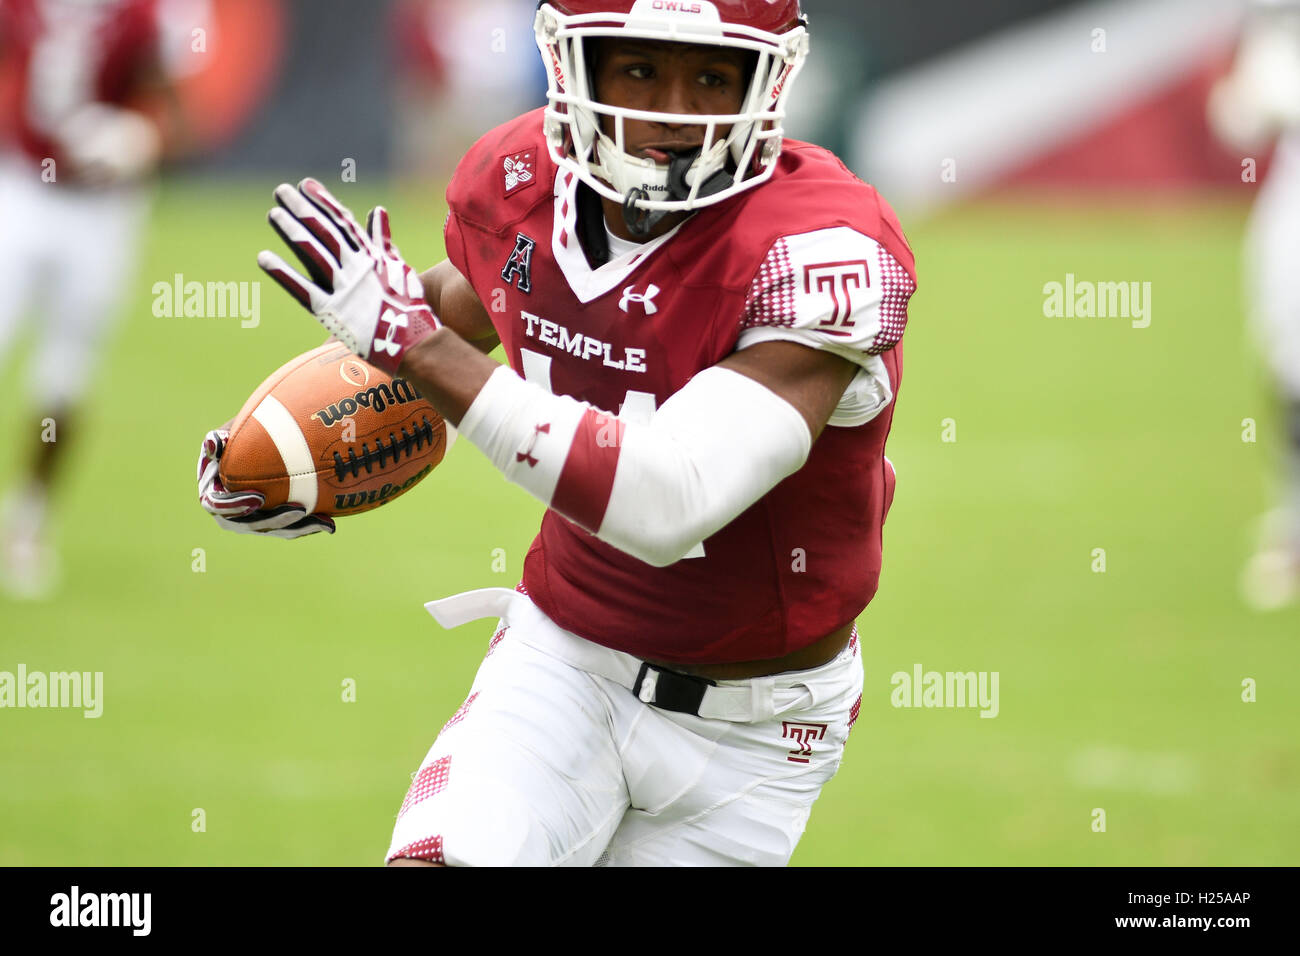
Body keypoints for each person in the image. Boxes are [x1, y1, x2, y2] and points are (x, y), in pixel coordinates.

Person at [198, 0, 916, 866]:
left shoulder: (819, 250)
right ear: (573, 68)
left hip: (756, 737)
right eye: (641, 69)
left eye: (713, 77)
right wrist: (277, 449)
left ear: (770, 80)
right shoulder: (517, 186)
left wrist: (414, 344)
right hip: (563, 659)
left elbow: (671, 498)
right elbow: (452, 318)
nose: (675, 114)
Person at [0, 0, 200, 597]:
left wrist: (139, 141)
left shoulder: (139, 16)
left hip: (102, 214)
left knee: (65, 379)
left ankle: (29, 524)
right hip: (22, 189)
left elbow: (182, 125)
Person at [1209, 0, 1300, 610]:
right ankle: (1292, 525)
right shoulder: (1275, 23)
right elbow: (1239, 122)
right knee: (1288, 365)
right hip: (1288, 219)